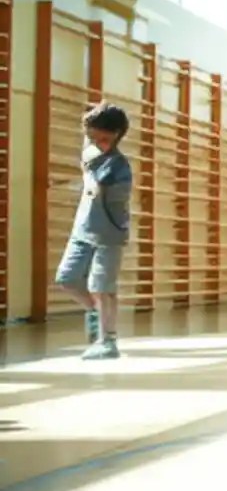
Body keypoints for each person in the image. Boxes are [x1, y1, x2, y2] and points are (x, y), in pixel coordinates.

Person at [55, 102, 132, 360]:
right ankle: (94, 311)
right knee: (67, 278)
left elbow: (106, 193)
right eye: (93, 138)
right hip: (83, 229)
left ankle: (108, 340)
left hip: (108, 232)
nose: (98, 143)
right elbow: (88, 134)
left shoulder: (118, 166)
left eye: (105, 139)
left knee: (103, 286)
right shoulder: (90, 150)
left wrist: (93, 180)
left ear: (118, 136)